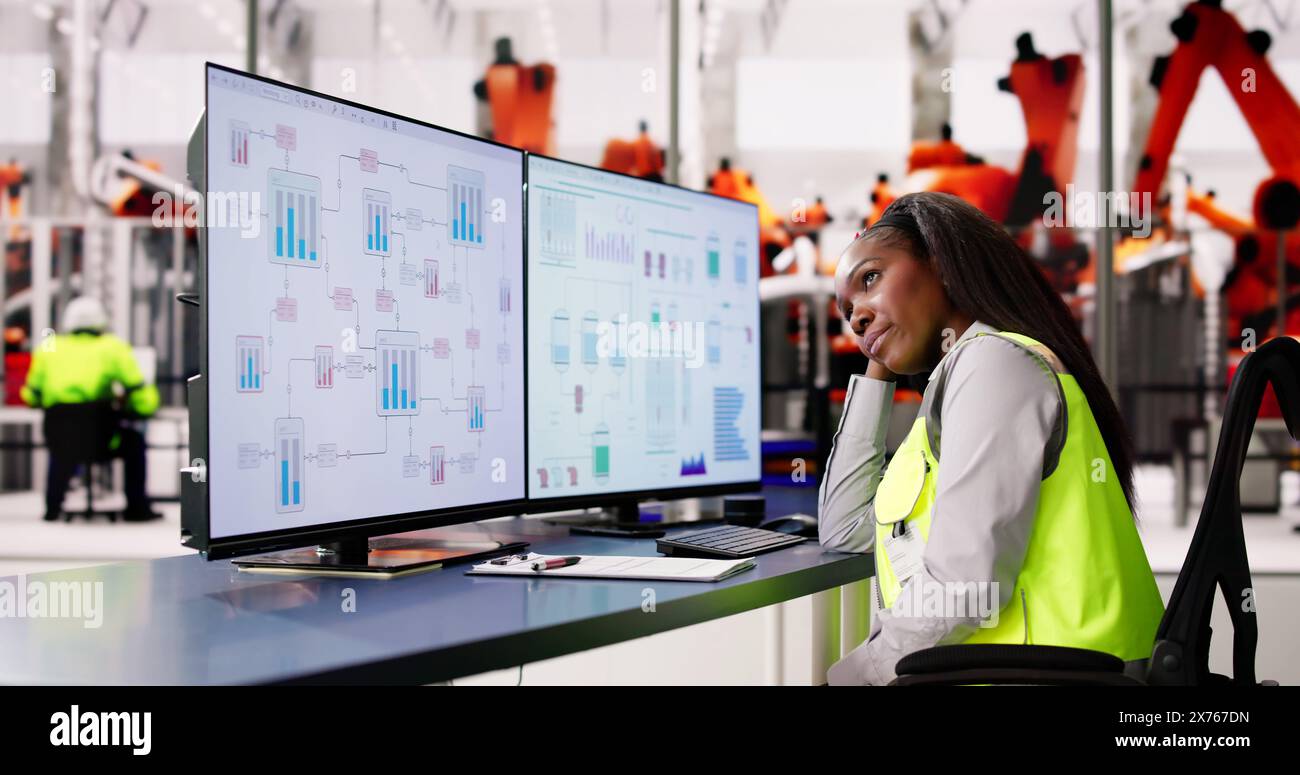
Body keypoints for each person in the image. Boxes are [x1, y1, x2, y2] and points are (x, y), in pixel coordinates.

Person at [819, 192, 1164, 685]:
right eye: (847, 311)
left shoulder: (994, 366)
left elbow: (965, 586)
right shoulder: (953, 394)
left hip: (1055, 677)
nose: (855, 317)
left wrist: (856, 676)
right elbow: (844, 529)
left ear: (940, 262)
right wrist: (878, 359)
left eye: (871, 279)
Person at [20, 296, 161, 522]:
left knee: (60, 454)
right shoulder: (113, 347)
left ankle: (52, 508)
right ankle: (137, 509)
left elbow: (31, 394)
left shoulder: (49, 347)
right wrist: (145, 408)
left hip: (59, 437)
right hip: (102, 439)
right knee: (134, 443)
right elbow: (137, 390)